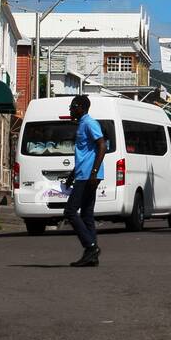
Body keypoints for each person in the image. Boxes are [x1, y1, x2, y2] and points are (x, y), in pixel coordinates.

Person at [62, 95, 106, 267]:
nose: (71, 110)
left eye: (73, 107)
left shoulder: (90, 123)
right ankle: (91, 255)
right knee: (87, 213)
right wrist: (72, 175)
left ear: (81, 107)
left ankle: (91, 246)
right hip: (83, 174)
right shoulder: (81, 124)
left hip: (89, 175)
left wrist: (94, 172)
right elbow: (84, 154)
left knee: (70, 212)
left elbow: (102, 145)